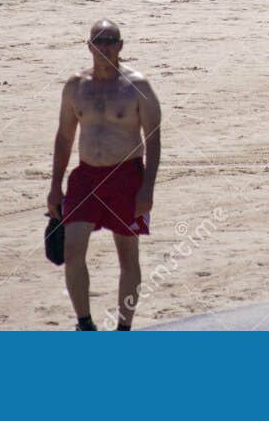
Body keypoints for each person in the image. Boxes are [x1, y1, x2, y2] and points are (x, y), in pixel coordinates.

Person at [49, 20, 162, 331]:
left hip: (126, 177)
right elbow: (64, 137)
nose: (105, 46)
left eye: (111, 40)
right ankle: (85, 324)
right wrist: (55, 187)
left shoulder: (138, 86)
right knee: (72, 251)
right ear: (89, 45)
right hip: (85, 177)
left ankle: (123, 328)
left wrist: (147, 189)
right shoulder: (76, 86)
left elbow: (153, 139)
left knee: (127, 255)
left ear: (121, 45)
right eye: (99, 40)